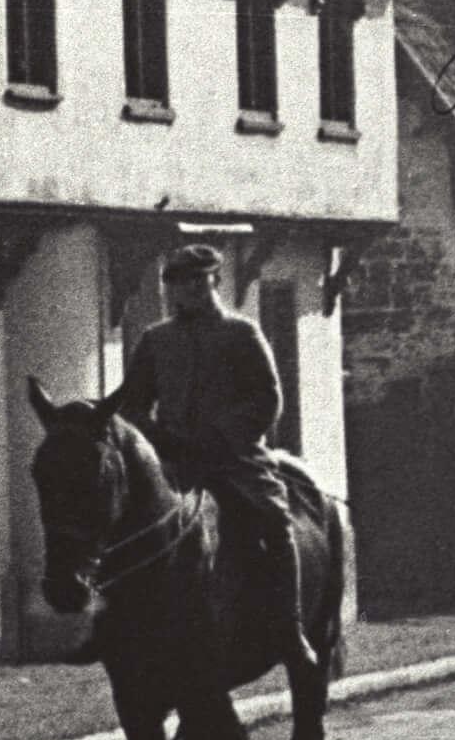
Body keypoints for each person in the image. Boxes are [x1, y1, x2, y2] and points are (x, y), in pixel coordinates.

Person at [114, 243, 317, 668]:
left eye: (197, 281)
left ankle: (290, 629)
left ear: (215, 281)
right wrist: (160, 439)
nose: (187, 291)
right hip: (174, 465)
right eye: (177, 283)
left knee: (274, 520)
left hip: (235, 460)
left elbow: (268, 398)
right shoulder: (156, 341)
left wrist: (220, 436)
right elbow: (132, 405)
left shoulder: (241, 334)